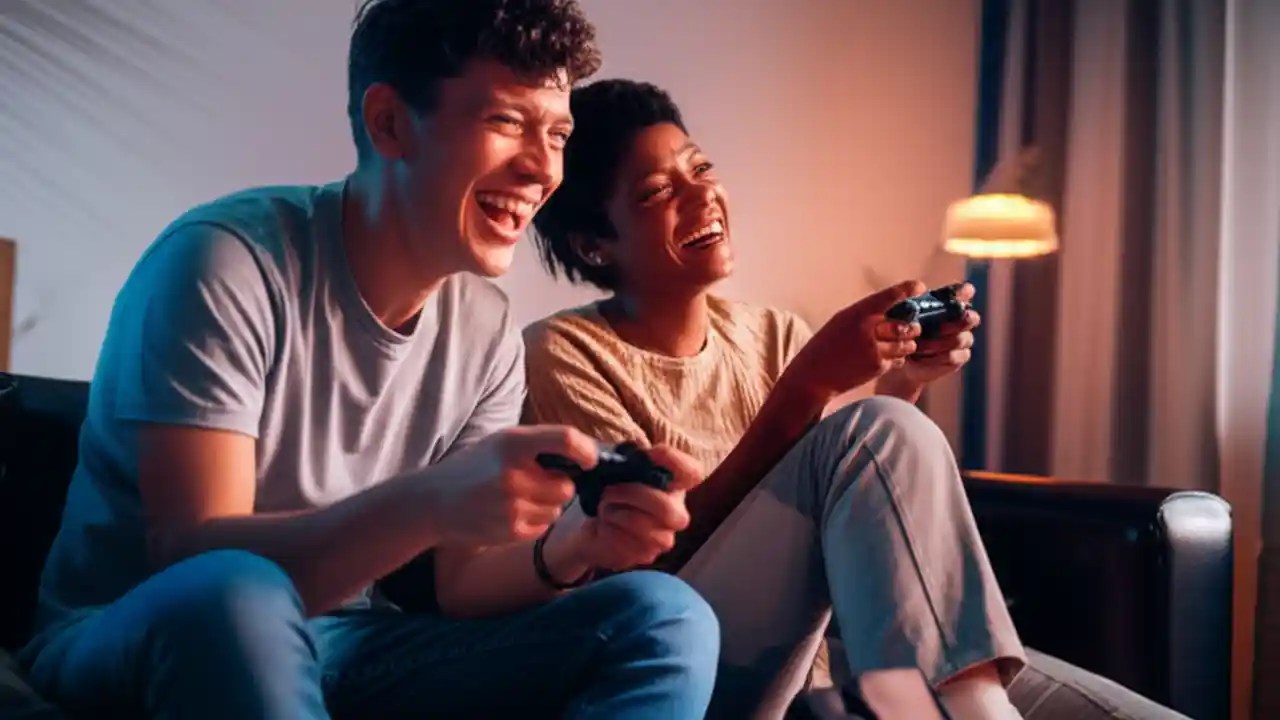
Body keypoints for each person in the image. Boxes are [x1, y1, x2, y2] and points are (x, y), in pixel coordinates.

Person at [17, 4, 722, 718]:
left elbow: (462, 581)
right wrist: (432, 499)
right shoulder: (226, 262)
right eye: (507, 122)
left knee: (664, 616)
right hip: (137, 632)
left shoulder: (487, 333)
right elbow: (190, 556)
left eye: (558, 133)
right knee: (236, 592)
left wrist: (573, 545)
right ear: (388, 123)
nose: (543, 169)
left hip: (349, 644)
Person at [524, 79, 1029, 719]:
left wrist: (906, 379)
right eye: (658, 191)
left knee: (889, 423)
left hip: (801, 677)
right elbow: (638, 570)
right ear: (594, 244)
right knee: (877, 429)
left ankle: (947, 700)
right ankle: (949, 704)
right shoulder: (562, 354)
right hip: (678, 662)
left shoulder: (771, 334)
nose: (703, 194)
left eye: (700, 167)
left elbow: (852, 507)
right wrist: (807, 386)